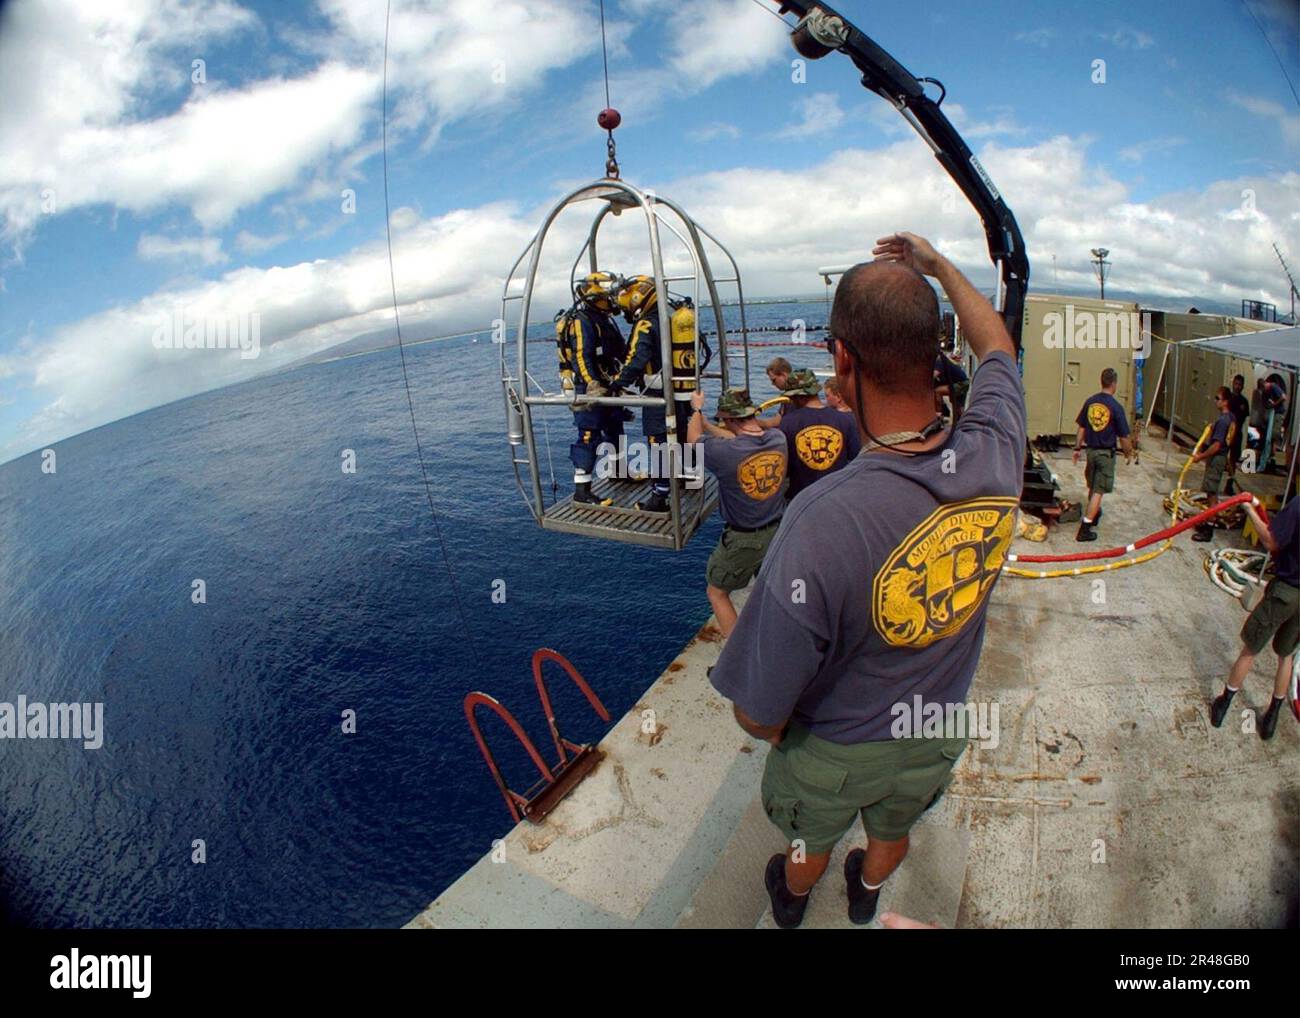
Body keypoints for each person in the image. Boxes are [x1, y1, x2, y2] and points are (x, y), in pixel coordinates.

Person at [709, 231, 1024, 929]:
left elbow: (759, 715)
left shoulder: (821, 521)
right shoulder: (999, 444)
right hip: (938, 724)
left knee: (806, 838)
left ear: (842, 358)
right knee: (892, 830)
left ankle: (791, 901)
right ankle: (868, 895)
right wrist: (938, 264)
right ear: (935, 351)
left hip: (836, 749)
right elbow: (998, 344)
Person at [687, 388, 788, 637]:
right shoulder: (778, 439)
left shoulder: (725, 454)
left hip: (744, 539)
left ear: (730, 420)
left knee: (716, 592)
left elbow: (693, 440)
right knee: (768, 589)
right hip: (777, 530)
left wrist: (697, 409)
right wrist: (711, 425)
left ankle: (737, 658)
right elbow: (738, 439)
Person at [1209, 495, 1299, 740]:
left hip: (1286, 591)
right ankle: (1272, 717)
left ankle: (1224, 703)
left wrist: (1249, 510)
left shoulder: (1298, 504)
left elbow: (1271, 541)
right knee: (1286, 655)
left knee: (1251, 648)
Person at [611, 274, 688, 514]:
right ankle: (685, 477)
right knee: (680, 436)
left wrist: (616, 384)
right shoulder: (669, 318)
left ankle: (659, 497)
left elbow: (637, 358)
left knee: (658, 443)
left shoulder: (645, 323)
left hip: (657, 394)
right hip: (680, 389)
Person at [560, 272, 625, 505]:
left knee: (615, 427)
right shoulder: (582, 320)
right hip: (590, 386)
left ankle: (620, 472)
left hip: (608, 383)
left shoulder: (603, 319)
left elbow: (619, 350)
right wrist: (591, 385)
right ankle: (582, 490)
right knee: (588, 434)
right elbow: (581, 357)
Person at [777, 368, 861, 501]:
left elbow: (783, 469)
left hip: (800, 497)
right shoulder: (847, 420)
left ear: (795, 397)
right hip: (837, 495)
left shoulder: (787, 423)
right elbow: (855, 458)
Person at [1071, 368, 1133, 542]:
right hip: (1105, 454)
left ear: (1101, 381)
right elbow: (1124, 437)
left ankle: (1095, 513)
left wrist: (1077, 448)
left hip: (1090, 451)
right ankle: (1085, 528)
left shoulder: (1090, 402)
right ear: (1114, 383)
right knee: (1099, 490)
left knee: (1093, 486)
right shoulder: (1116, 407)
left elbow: (1081, 427)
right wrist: (1129, 453)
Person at [1191, 388, 1236, 542]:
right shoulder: (1231, 418)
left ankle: (1208, 529)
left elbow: (1217, 446)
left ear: (1225, 401)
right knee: (1212, 493)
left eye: (1217, 398)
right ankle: (1208, 523)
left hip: (1217, 459)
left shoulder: (1223, 421)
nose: (1215, 401)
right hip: (1222, 458)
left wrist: (1200, 456)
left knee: (1211, 495)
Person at [933, 352, 969, 424]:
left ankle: (939, 416)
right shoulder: (942, 359)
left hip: (961, 384)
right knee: (958, 409)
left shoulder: (938, 361)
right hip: (962, 382)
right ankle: (961, 424)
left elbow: (934, 375)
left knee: (937, 391)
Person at [1227, 374, 1250, 479]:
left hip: (1237, 433)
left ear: (1242, 386)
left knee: (1233, 458)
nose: (1237, 386)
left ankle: (1230, 482)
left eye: (1239, 384)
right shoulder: (1228, 399)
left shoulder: (1244, 402)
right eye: (1236, 384)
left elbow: (1244, 417)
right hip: (1227, 431)